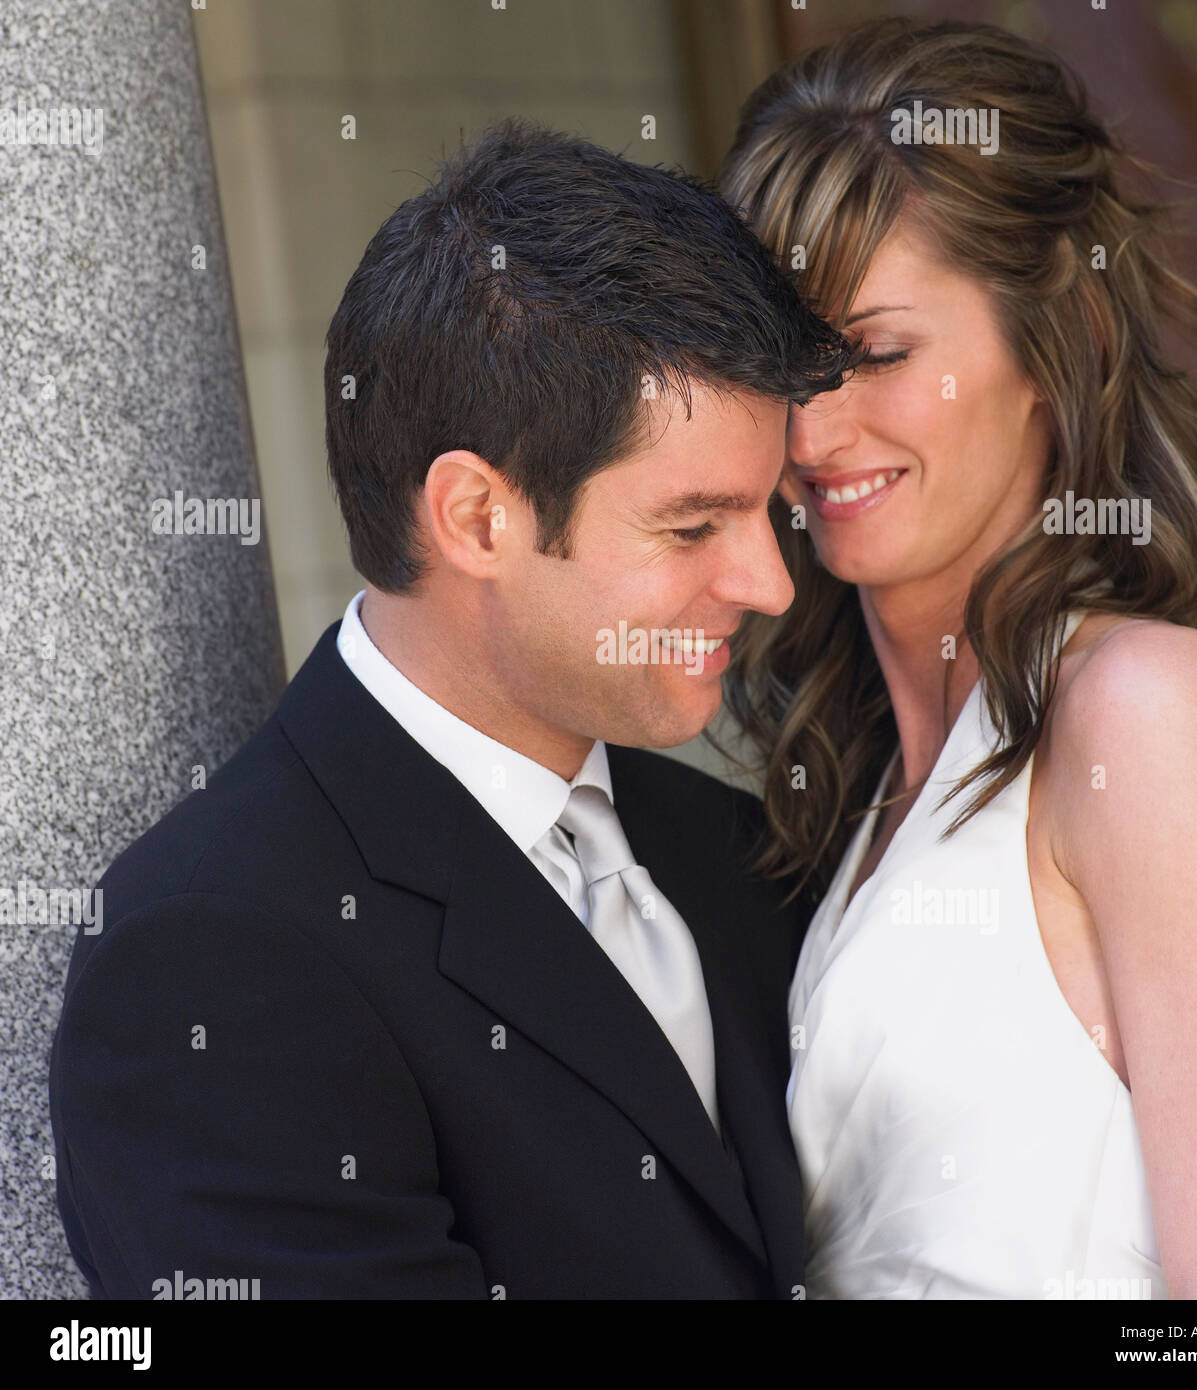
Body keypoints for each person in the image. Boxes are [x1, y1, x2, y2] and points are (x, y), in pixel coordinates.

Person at [48, 118, 854, 1299]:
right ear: (477, 517)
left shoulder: (730, 852)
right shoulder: (214, 959)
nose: (771, 584)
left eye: (765, 513)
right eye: (693, 526)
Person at [715, 18, 1197, 1299]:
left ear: (1055, 339)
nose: (814, 427)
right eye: (779, 363)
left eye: (876, 353)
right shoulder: (862, 783)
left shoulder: (1147, 714)